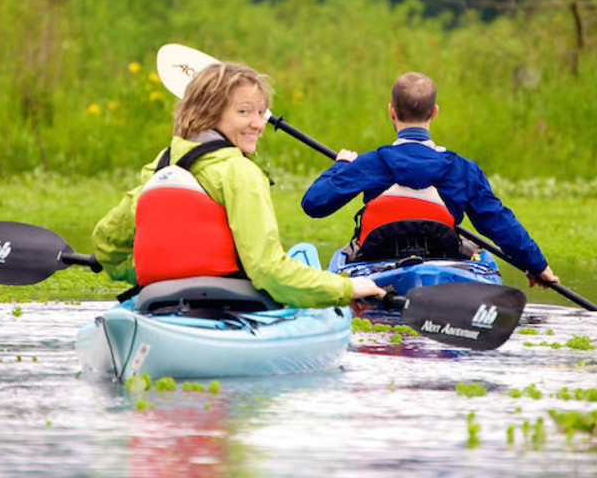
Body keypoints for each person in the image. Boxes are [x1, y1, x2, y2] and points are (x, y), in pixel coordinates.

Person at [91, 60, 386, 309]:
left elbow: (106, 245)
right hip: (226, 309)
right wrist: (347, 288)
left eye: (260, 112)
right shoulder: (239, 173)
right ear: (209, 112)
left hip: (156, 305)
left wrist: (154, 280)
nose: (258, 124)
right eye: (244, 112)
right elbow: (268, 271)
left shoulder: (161, 167)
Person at [301, 71, 559, 288]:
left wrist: (341, 166)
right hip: (443, 264)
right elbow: (499, 222)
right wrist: (537, 264)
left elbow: (314, 203)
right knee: (477, 253)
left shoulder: (370, 164)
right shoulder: (463, 169)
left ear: (391, 112)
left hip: (376, 264)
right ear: (434, 112)